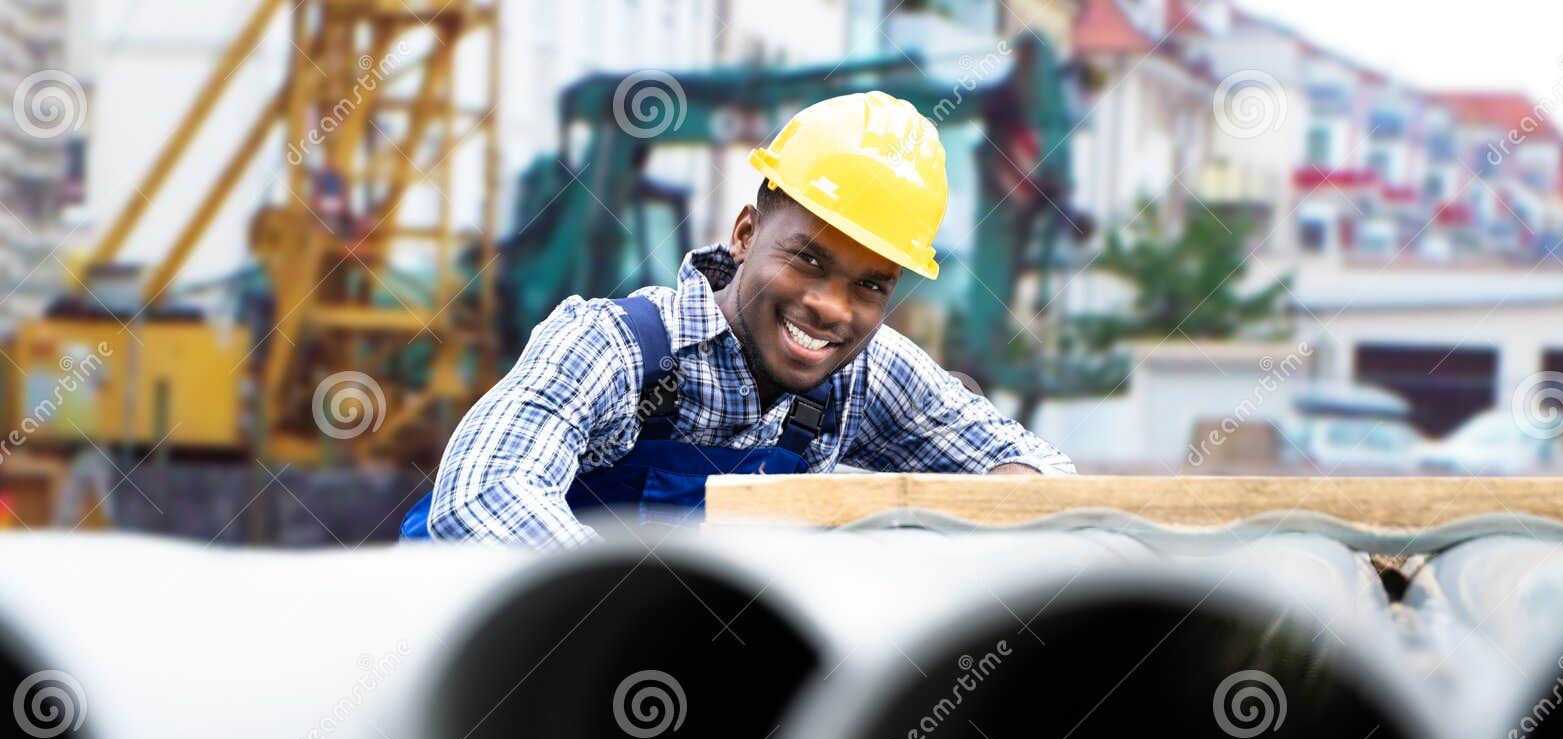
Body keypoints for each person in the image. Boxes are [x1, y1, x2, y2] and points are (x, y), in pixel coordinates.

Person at [406, 90, 1073, 546]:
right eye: (808, 261)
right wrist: (644, 615)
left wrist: (1005, 505)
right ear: (746, 234)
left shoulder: (865, 374)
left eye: (870, 285)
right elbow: (480, 497)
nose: (832, 308)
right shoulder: (611, 348)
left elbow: (1041, 470)